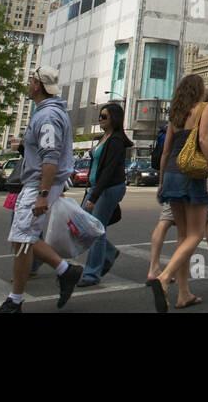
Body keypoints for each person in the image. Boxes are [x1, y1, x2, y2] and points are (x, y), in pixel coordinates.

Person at [0, 65, 79, 313]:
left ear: (39, 86)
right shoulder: (46, 113)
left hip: (39, 185)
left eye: (32, 80)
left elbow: (50, 156)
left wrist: (43, 193)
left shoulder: (48, 116)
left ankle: (15, 300)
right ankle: (65, 271)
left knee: (22, 239)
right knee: (21, 238)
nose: (29, 84)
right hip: (37, 183)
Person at [147, 75, 208, 312]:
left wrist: (161, 182)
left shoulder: (175, 115)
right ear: (199, 91)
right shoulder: (204, 108)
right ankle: (164, 277)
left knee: (182, 237)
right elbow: (204, 140)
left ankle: (183, 293)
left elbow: (166, 151)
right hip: (191, 174)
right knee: (195, 234)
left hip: (170, 174)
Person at [77, 102, 132, 287]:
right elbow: (96, 166)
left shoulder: (116, 140)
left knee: (96, 229)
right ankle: (108, 252)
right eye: (100, 116)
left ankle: (92, 274)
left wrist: (93, 196)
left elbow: (108, 171)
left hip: (108, 188)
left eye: (104, 116)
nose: (100, 119)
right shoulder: (103, 137)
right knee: (82, 225)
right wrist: (89, 188)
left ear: (114, 118)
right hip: (95, 187)